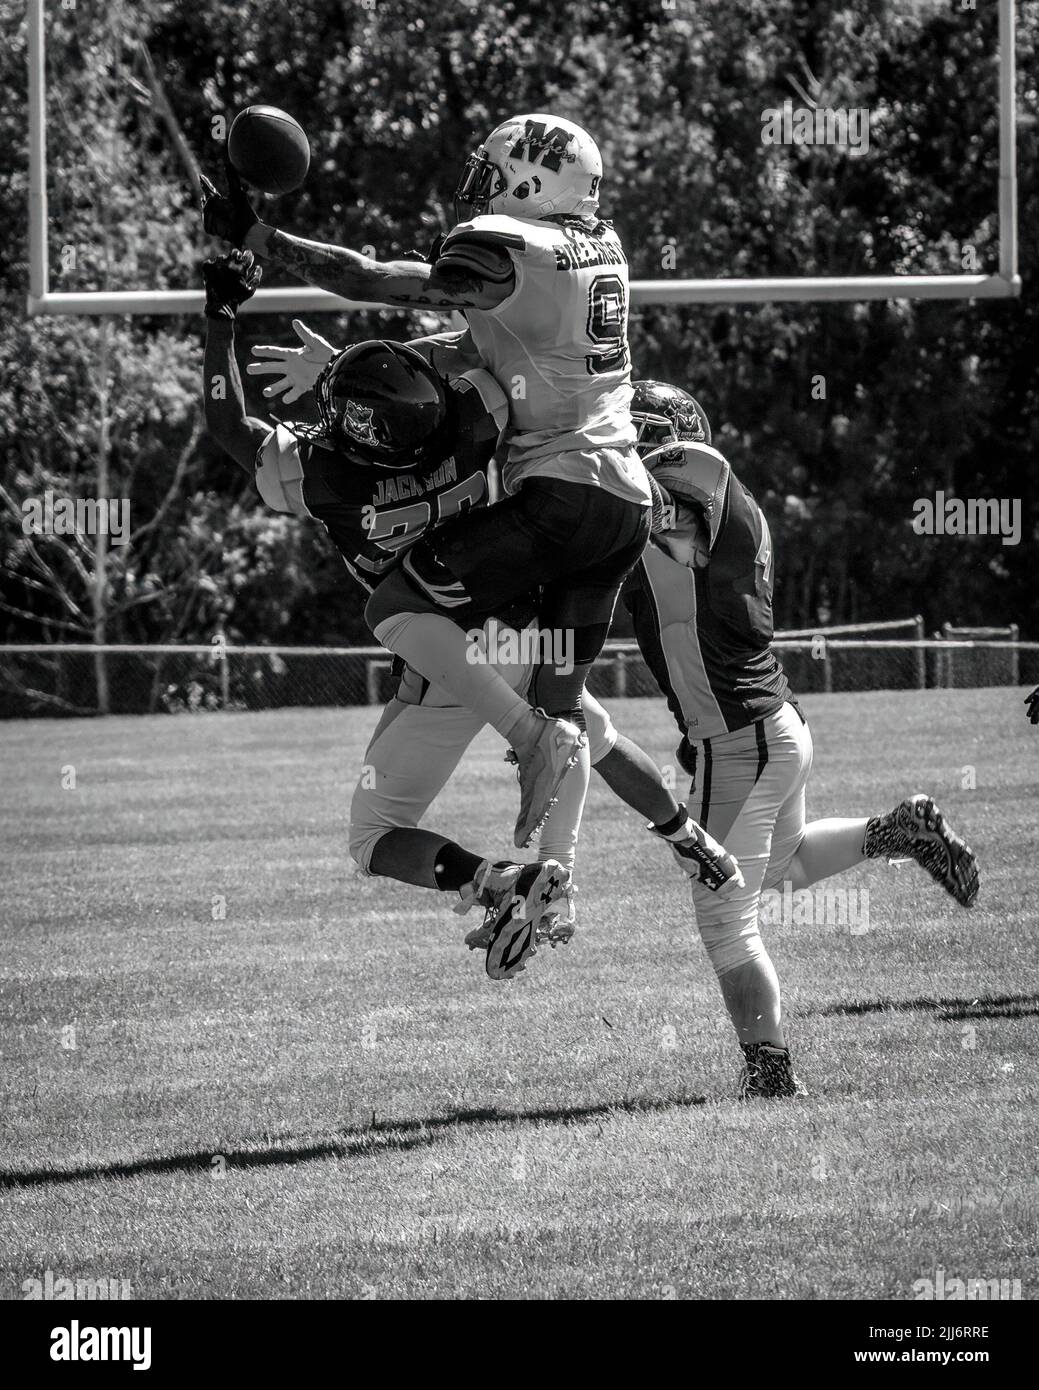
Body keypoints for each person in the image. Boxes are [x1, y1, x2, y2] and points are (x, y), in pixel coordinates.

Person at [200, 251, 741, 982]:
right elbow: (474, 344)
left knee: (374, 835)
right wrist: (355, 370)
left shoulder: (317, 474)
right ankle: (618, 857)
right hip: (520, 620)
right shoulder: (478, 418)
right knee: (586, 730)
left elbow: (226, 420)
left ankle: (498, 881)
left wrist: (223, 311)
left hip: (446, 649)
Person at [201, 112, 652, 852]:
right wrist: (348, 360)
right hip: (624, 504)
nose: (477, 184)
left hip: (560, 492)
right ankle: (557, 879)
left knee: (398, 604)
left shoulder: (508, 245)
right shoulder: (596, 243)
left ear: (530, 182)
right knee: (563, 708)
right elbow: (471, 344)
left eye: (493, 171)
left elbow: (375, 279)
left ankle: (523, 739)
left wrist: (263, 240)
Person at [627, 380, 981, 1097]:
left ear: (672, 436)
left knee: (722, 911)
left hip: (744, 734)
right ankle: (898, 832)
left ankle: (769, 1071)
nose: (619, 441)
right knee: (779, 869)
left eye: (634, 430)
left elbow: (655, 485)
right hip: (762, 729)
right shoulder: (683, 515)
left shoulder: (697, 489)